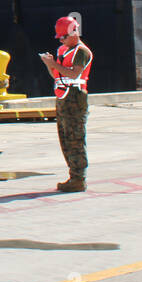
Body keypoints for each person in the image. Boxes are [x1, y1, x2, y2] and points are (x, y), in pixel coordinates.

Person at [40, 15, 94, 192]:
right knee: (65, 138)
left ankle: (79, 178)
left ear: (73, 32)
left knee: (75, 138)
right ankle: (73, 176)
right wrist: (50, 64)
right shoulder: (63, 50)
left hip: (75, 98)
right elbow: (56, 75)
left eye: (64, 37)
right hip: (63, 97)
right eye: (60, 38)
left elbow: (74, 74)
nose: (62, 40)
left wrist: (53, 63)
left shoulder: (82, 52)